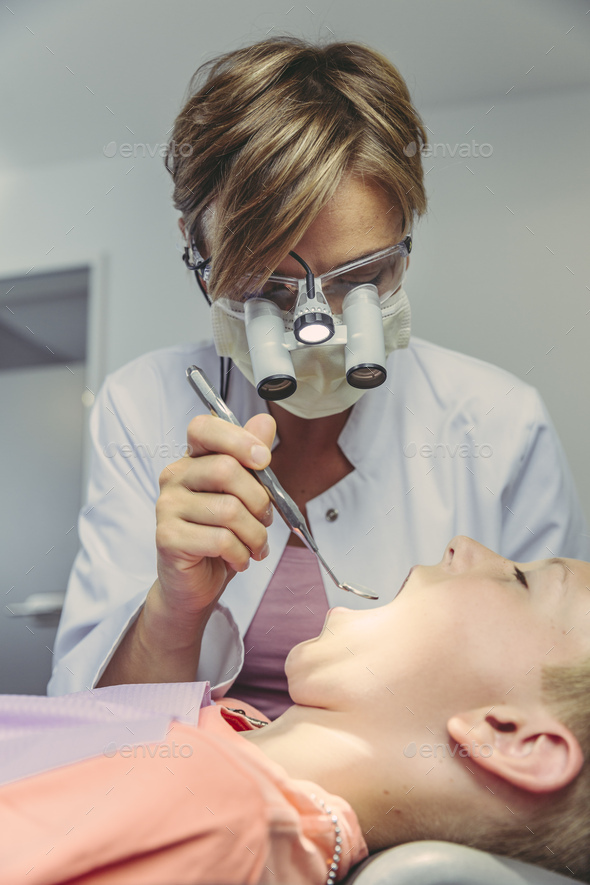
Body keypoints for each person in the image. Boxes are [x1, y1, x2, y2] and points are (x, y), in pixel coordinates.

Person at [48, 38, 589, 713]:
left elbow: (553, 709)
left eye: (362, 280)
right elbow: (89, 727)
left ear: (405, 239)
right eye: (267, 290)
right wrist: (172, 606)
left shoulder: (501, 425)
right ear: (199, 251)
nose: (317, 332)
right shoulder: (140, 406)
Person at [5, 538, 590, 883]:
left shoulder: (219, 814)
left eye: (519, 580)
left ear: (511, 737)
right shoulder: (230, 737)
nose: (464, 545)